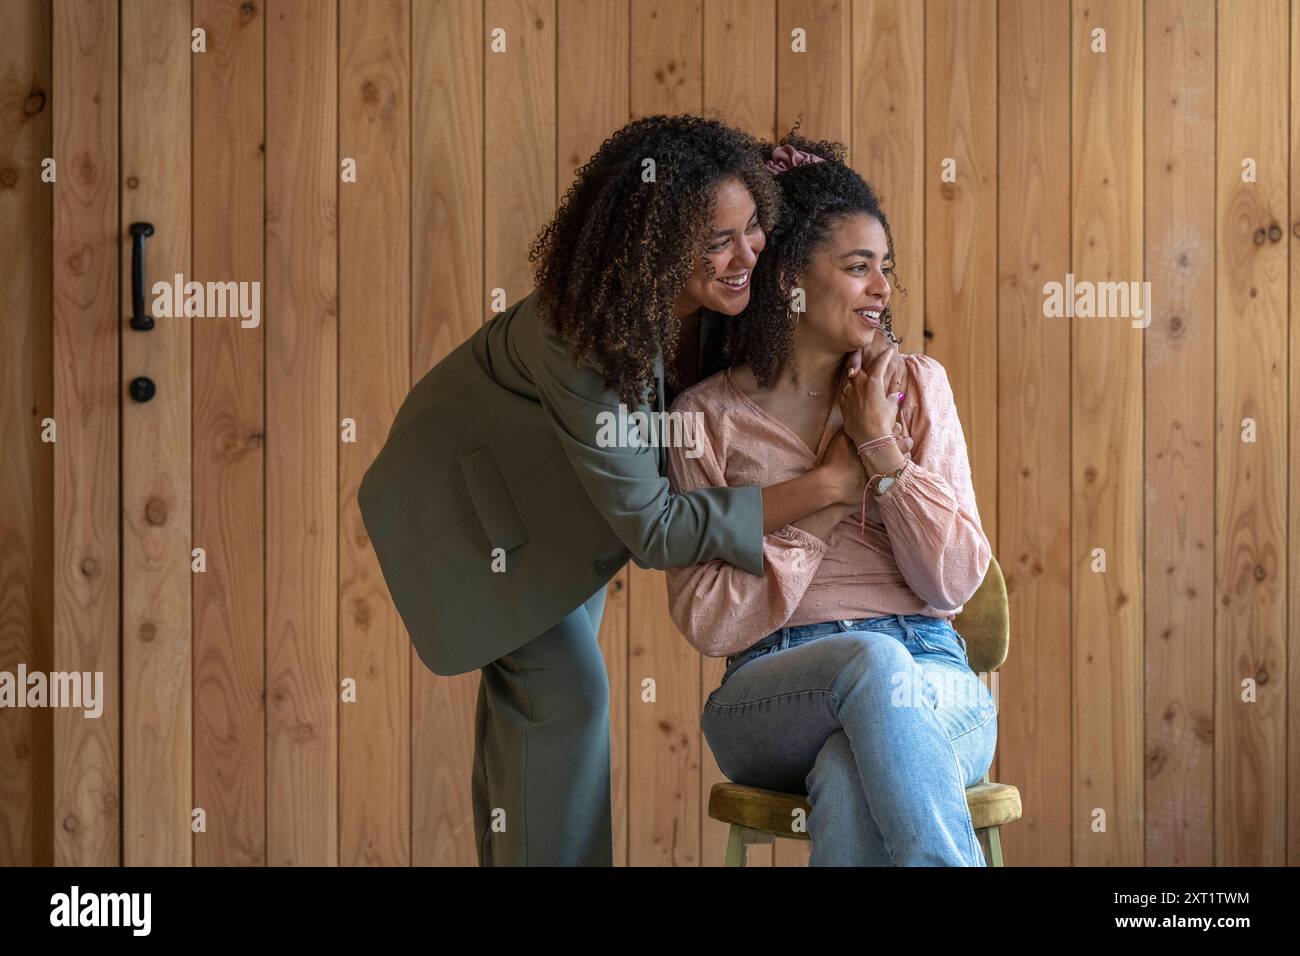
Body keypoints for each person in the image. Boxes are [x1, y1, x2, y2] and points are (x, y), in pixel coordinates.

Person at [357, 115, 904, 866]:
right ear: (652, 241)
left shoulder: (716, 310)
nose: (745, 254)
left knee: (530, 731)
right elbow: (656, 530)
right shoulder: (579, 334)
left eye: (754, 230)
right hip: (467, 515)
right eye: (716, 240)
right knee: (567, 701)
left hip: (564, 522)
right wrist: (828, 486)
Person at [664, 132, 997, 866]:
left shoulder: (917, 388)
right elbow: (709, 617)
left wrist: (880, 450)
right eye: (856, 268)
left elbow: (956, 581)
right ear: (788, 279)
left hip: (934, 676)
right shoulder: (703, 418)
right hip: (775, 688)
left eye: (886, 269)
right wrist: (829, 497)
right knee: (870, 665)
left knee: (850, 776)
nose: (882, 288)